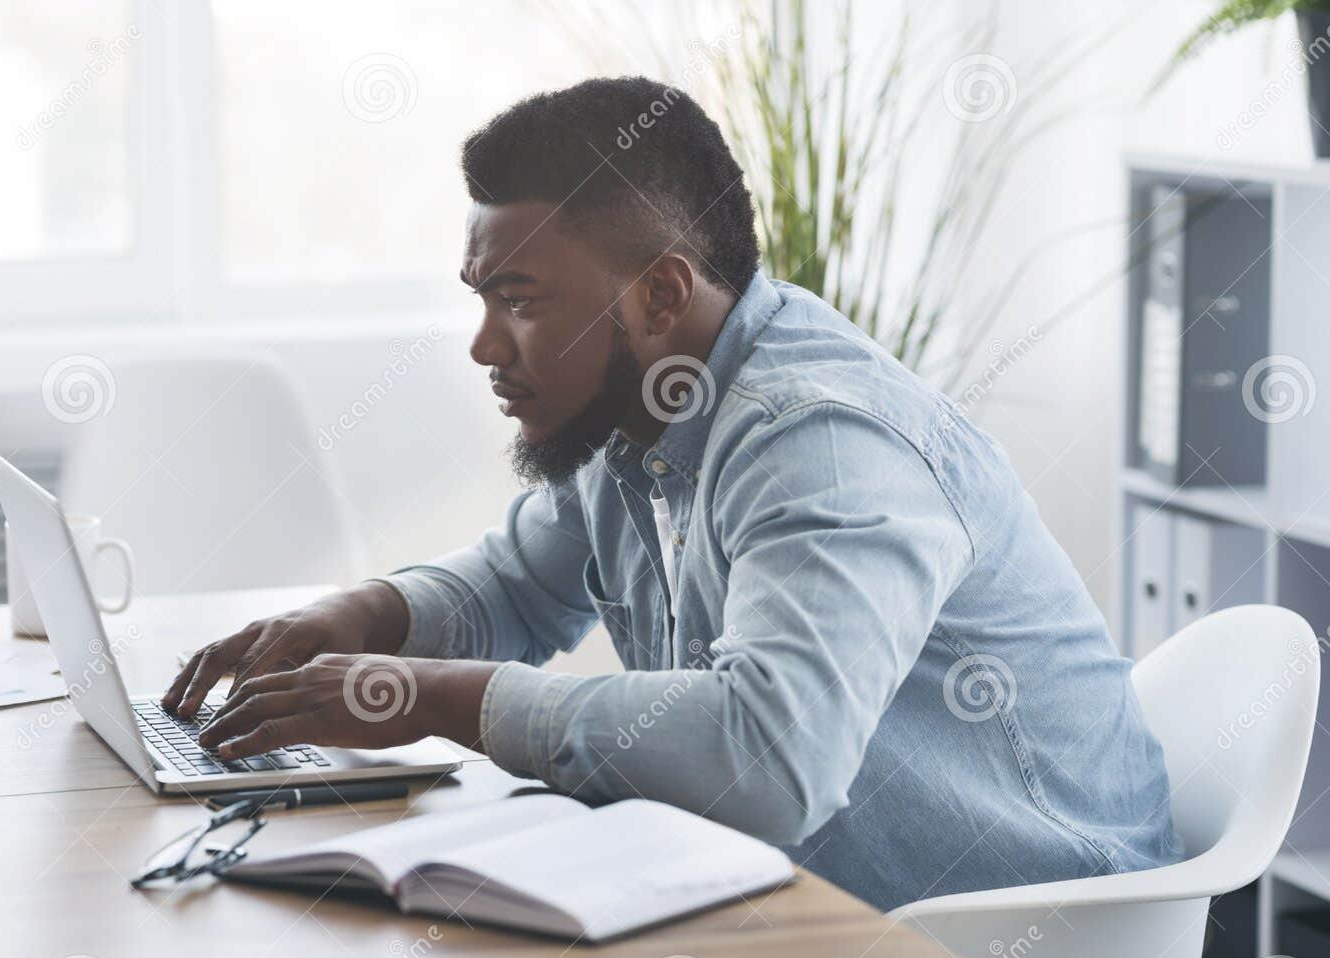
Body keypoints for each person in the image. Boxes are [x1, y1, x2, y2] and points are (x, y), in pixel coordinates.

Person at [164, 77, 1181, 911]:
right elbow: (516, 586)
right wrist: (362, 616)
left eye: (520, 301)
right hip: (810, 911)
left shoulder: (822, 440)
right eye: (482, 297)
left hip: (1019, 946)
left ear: (660, 293)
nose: (483, 347)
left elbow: (770, 756)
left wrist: (430, 695)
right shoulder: (641, 404)